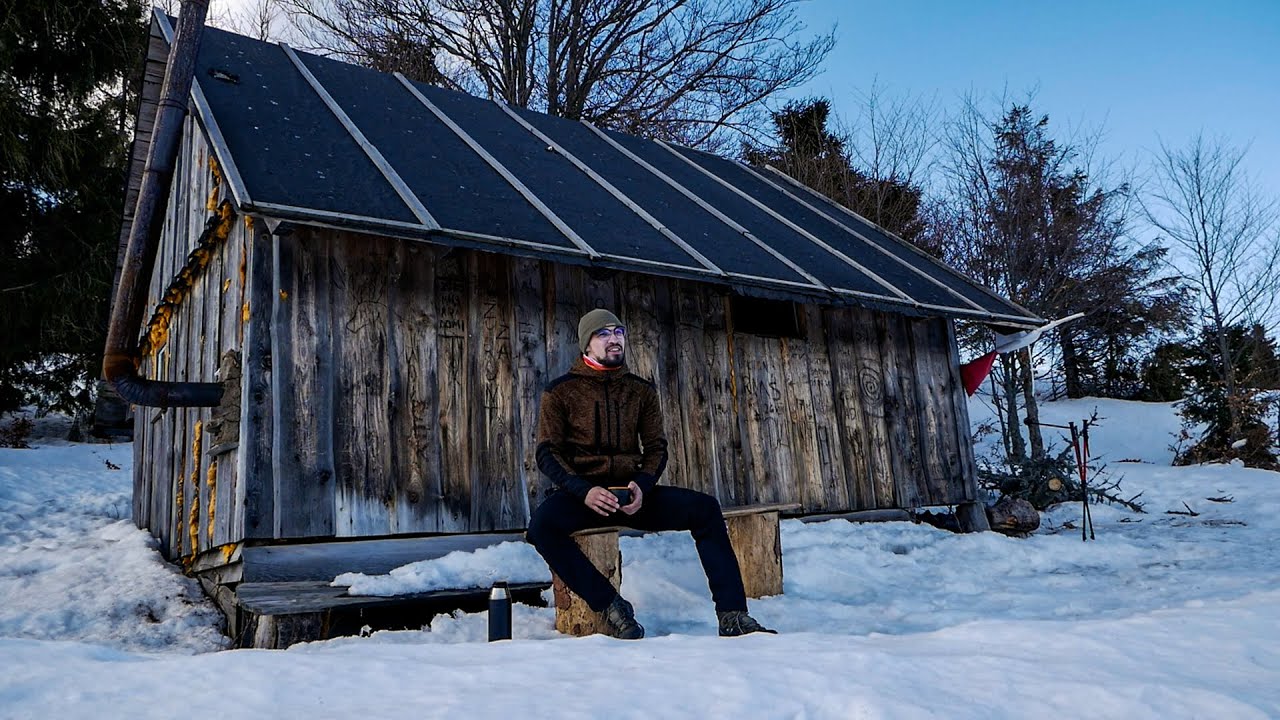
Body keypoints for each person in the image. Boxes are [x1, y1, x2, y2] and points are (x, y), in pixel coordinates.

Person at [526, 308, 775, 639]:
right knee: (542, 528)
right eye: (603, 334)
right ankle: (612, 606)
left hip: (632, 494)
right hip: (584, 496)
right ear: (586, 345)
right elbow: (547, 452)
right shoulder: (560, 392)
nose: (614, 339)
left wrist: (643, 485)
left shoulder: (640, 390)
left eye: (618, 332)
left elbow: (656, 447)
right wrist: (582, 490)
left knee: (705, 510)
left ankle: (732, 614)